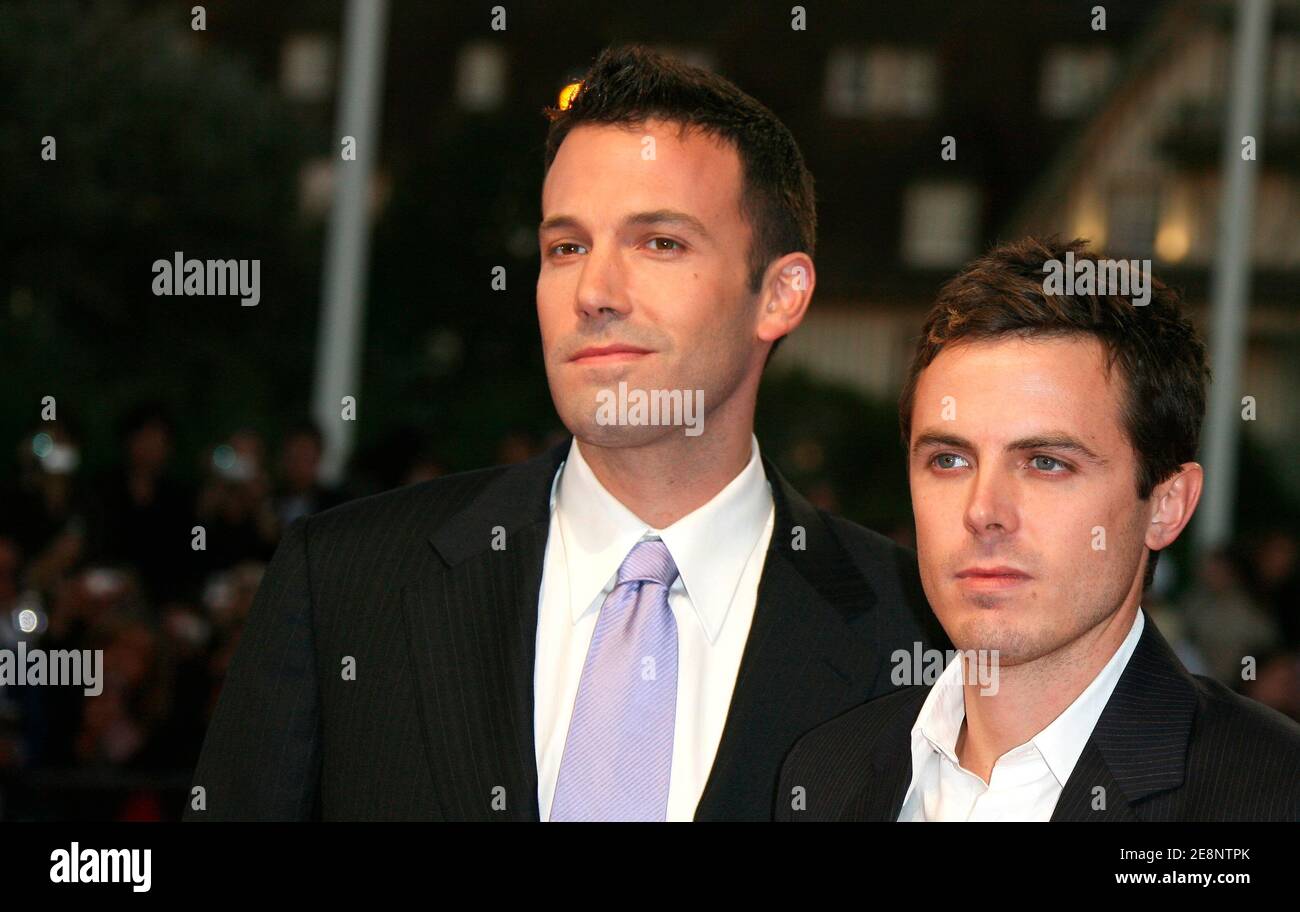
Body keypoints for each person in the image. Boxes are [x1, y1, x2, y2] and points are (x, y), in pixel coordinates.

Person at [185, 44, 939, 822]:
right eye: (566, 247)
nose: (595, 291)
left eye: (659, 242)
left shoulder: (912, 632)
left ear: (780, 294)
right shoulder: (346, 583)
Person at [778, 237, 1300, 822]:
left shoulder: (1270, 797)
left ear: (1167, 505)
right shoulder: (824, 774)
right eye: (950, 460)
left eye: (1047, 463)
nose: (984, 510)